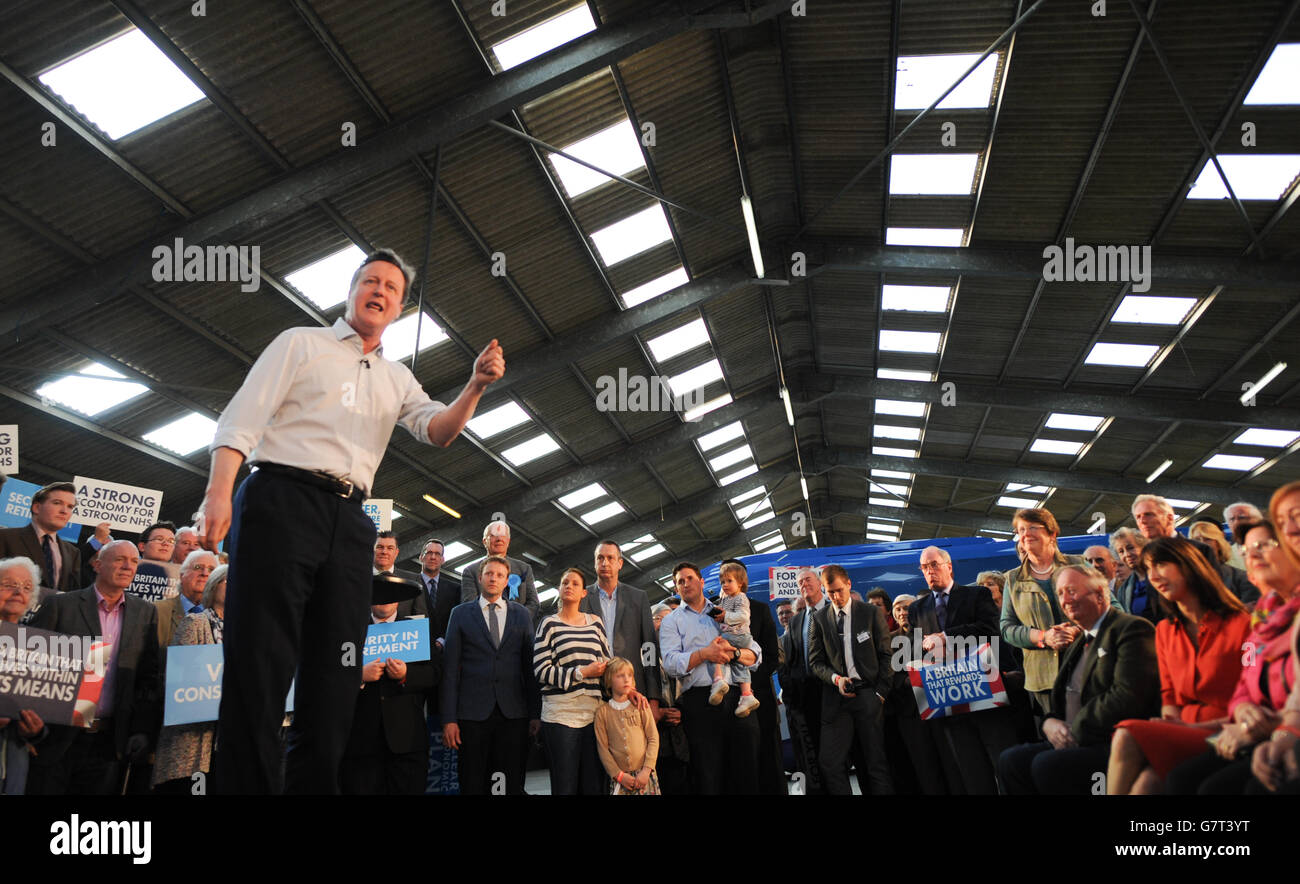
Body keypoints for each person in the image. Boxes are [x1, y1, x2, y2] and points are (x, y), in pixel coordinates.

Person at [197, 248, 504, 794]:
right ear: (352, 290)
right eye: (370, 280)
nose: (379, 290)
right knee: (260, 668)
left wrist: (475, 386)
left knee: (335, 679)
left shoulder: (397, 378)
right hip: (279, 498)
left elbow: (438, 430)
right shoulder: (301, 343)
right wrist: (219, 494)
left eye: (391, 286)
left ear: (400, 308)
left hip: (350, 519)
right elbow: (242, 417)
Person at [1163, 517, 1299, 793]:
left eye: (1264, 545)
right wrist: (1243, 709)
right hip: (1255, 728)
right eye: (1247, 551)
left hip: (1282, 730)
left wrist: (1258, 728)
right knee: (1180, 779)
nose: (1254, 555)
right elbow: (1244, 684)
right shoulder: (1260, 621)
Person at [1107, 537, 1251, 794]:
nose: (1154, 575)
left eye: (1161, 564)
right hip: (1182, 731)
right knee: (1146, 785)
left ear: (1189, 566)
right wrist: (1170, 722)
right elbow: (1169, 694)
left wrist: (1189, 728)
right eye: (1148, 568)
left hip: (1228, 730)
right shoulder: (1164, 630)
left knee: (1127, 733)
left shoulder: (1242, 623)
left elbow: (1253, 697)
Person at [997, 565, 1158, 794]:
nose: (1065, 600)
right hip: (1074, 737)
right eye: (1061, 593)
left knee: (1047, 766)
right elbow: (1062, 697)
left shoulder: (1130, 629)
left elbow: (1127, 696)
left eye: (1071, 591)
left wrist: (1075, 729)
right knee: (1010, 761)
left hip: (1110, 740)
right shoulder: (1080, 640)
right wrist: (1049, 722)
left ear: (1100, 595)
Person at [26, 540, 162, 795]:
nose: (128, 566)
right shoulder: (60, 605)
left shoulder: (145, 612)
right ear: (97, 565)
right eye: (120, 559)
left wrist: (141, 730)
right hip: (56, 738)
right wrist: (32, 728)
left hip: (109, 742)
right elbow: (32, 666)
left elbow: (147, 678)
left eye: (134, 561)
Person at [907, 545, 1014, 794]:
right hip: (950, 700)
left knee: (1004, 762)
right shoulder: (916, 609)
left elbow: (989, 630)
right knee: (972, 772)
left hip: (987, 692)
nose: (929, 571)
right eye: (924, 567)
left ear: (949, 566)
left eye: (934, 564)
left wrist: (945, 637)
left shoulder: (976, 595)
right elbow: (916, 651)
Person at [440, 555, 539, 795]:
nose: (493, 578)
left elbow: (530, 668)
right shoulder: (460, 614)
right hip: (472, 715)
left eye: (499, 575)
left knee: (511, 782)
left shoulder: (522, 615)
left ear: (507, 581)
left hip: (513, 713)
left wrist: (535, 713)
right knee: (473, 781)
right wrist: (449, 720)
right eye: (489, 574)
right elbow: (450, 670)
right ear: (480, 578)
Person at [659, 561, 760, 794]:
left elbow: (756, 654)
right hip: (700, 703)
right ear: (676, 589)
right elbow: (672, 664)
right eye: (680, 582)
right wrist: (705, 654)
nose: (686, 584)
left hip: (738, 699)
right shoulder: (671, 622)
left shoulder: (724, 612)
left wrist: (734, 654)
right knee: (708, 775)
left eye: (690, 578)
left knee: (746, 774)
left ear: (702, 582)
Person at [340, 594, 440, 795]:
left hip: (407, 742)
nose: (384, 599)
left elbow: (435, 674)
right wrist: (358, 676)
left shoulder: (417, 631)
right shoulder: (350, 631)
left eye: (390, 595)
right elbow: (333, 677)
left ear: (398, 601)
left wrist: (406, 675)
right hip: (361, 744)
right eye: (378, 594)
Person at [807, 564, 893, 795]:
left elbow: (886, 655)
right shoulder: (820, 618)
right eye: (830, 592)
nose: (835, 597)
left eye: (838, 590)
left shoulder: (870, 612)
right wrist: (836, 679)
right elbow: (815, 662)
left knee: (875, 763)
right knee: (829, 763)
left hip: (868, 696)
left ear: (848, 585)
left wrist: (880, 694)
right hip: (836, 699)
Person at [152, 564, 229, 794]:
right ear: (213, 587)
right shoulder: (195, 622)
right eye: (229, 581)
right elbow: (176, 681)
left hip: (225, 740)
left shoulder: (244, 632)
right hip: (192, 742)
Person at [534, 567, 611, 795]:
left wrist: (627, 688)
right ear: (559, 589)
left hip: (594, 714)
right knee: (565, 786)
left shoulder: (595, 622)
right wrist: (582, 673)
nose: (569, 586)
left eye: (575, 583)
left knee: (593, 786)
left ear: (584, 593)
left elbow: (608, 663)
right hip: (561, 715)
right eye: (565, 582)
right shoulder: (549, 624)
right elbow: (541, 670)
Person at [1000, 508, 1085, 718]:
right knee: (1059, 739)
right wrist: (1043, 637)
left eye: (1033, 527)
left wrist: (1076, 631)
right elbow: (1006, 628)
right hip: (1043, 681)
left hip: (1087, 668)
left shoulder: (1080, 565)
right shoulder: (1011, 579)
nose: (1026, 534)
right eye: (1021, 529)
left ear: (1052, 534)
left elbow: (1111, 609)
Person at [1131, 494, 1257, 605]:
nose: (1142, 521)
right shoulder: (1145, 557)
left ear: (1170, 518)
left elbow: (1216, 595)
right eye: (1138, 517)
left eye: (1149, 514)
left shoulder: (1200, 551)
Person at [580, 540, 660, 705]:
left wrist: (654, 698)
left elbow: (649, 648)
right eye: (600, 558)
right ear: (594, 563)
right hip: (591, 689)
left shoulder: (638, 598)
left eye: (610, 558)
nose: (605, 563)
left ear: (620, 563)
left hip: (631, 688)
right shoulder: (582, 598)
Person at [0, 557, 49, 794]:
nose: (19, 592)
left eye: (27, 587)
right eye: (9, 584)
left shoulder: (38, 648)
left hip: (13, 768)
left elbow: (48, 707)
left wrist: (36, 730)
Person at [778, 566, 828, 794]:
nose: (804, 585)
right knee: (814, 758)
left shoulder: (835, 611)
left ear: (821, 584)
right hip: (807, 701)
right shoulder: (797, 623)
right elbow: (792, 664)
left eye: (808, 580)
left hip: (838, 697)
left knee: (837, 760)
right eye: (800, 582)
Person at [0, 481, 81, 593]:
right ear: (37, 507)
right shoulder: (5, 537)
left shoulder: (73, 553)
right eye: (57, 503)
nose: (64, 511)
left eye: (70, 507)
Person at [594, 657, 660, 794]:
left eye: (629, 675)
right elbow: (603, 748)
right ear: (609, 680)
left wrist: (647, 769)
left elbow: (653, 737)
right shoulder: (602, 713)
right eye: (620, 675)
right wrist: (618, 775)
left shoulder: (640, 705)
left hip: (644, 777)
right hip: (621, 781)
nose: (626, 679)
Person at [459, 520, 539, 624]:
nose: (499, 539)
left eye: (503, 535)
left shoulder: (524, 569)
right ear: (484, 541)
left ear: (508, 541)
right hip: (484, 630)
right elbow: (469, 604)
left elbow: (533, 603)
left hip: (517, 632)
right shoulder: (470, 571)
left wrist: (517, 622)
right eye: (493, 536)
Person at [709, 561, 758, 716]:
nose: (725, 585)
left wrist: (726, 616)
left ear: (740, 583)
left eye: (729, 581)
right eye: (722, 582)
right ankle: (747, 695)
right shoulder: (726, 598)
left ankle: (718, 679)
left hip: (738, 635)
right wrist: (719, 616)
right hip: (737, 636)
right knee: (739, 665)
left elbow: (743, 616)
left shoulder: (741, 597)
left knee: (716, 647)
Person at [649, 602, 688, 794]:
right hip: (656, 730)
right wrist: (658, 710)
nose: (663, 624)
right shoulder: (644, 652)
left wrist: (682, 711)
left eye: (667, 620)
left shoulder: (683, 649)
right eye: (658, 619)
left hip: (684, 729)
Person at [155, 550, 219, 650]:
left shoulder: (223, 618)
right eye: (198, 567)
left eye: (211, 570)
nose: (205, 573)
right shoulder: (157, 610)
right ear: (182, 575)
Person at [417, 539, 461, 641]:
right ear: (421, 557)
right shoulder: (410, 586)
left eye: (437, 554)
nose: (433, 557)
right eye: (429, 553)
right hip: (416, 644)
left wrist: (443, 640)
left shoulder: (455, 589)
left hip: (445, 649)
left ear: (443, 559)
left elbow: (457, 620)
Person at [1110, 527, 1149, 617]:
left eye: (1130, 548)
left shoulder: (1161, 576)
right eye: (1121, 551)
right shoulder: (1123, 590)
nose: (1127, 554)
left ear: (1144, 547)